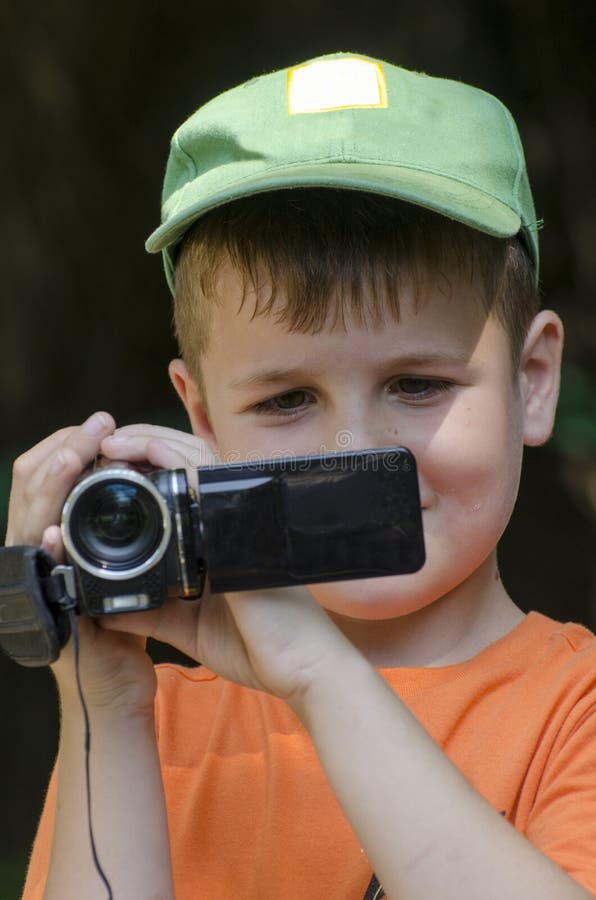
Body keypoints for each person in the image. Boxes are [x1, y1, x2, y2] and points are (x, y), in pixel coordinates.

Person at [8, 52, 596, 899]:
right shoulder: (150, 726)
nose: (352, 446)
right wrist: (102, 702)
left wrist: (316, 670)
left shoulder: (575, 711)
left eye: (418, 384)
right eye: (286, 400)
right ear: (203, 421)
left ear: (532, 382)